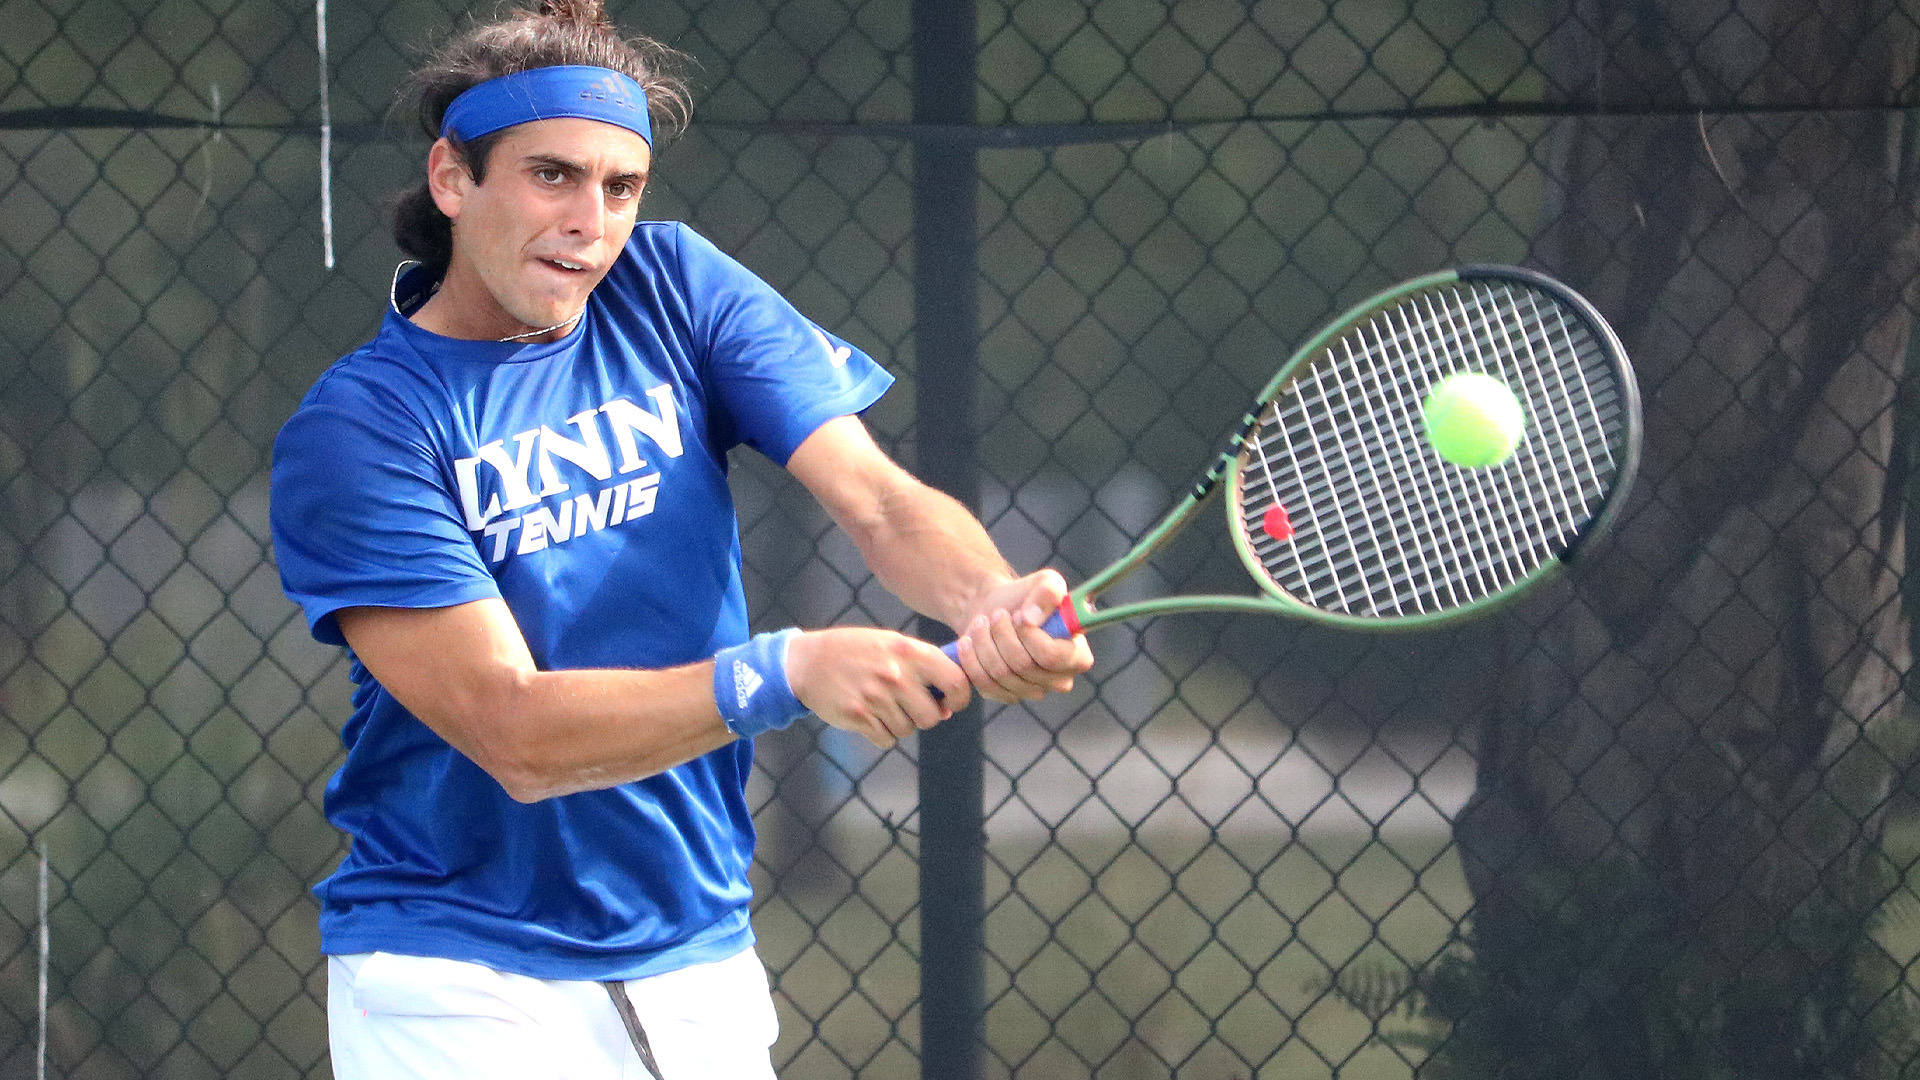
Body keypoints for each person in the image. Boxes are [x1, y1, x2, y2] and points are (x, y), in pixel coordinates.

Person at [267, 2, 1092, 1077]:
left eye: (621, 187)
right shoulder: (362, 427)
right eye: (551, 175)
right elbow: (511, 732)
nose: (590, 222)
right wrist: (782, 673)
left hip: (694, 951)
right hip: (455, 973)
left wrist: (990, 597)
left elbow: (881, 503)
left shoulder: (675, 286)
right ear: (452, 179)